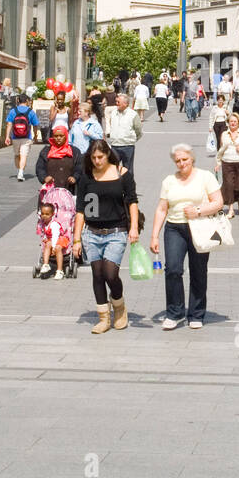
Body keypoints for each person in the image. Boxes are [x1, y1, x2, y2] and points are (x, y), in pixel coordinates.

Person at [149, 144, 224, 330]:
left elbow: (218, 202)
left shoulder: (205, 177)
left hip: (199, 227)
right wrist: (154, 236)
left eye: (185, 159)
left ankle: (196, 314)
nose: (181, 163)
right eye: (178, 161)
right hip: (174, 228)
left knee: (198, 270)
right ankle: (174, 312)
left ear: (192, 159)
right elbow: (161, 209)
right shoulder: (169, 181)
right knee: (173, 269)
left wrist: (198, 210)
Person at [73, 139, 141, 334]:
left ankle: (119, 306)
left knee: (111, 274)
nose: (97, 161)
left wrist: (133, 227)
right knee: (97, 274)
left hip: (116, 231)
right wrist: (76, 238)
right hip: (91, 233)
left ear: (108, 155)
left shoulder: (123, 174)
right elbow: (80, 210)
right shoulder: (86, 177)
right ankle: (104, 317)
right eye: (93, 157)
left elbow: (132, 202)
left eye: (100, 157)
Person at [216, 112, 239, 218]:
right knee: (229, 185)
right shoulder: (224, 134)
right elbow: (221, 150)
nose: (233, 123)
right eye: (231, 121)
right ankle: (231, 209)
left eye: (235, 121)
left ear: (238, 123)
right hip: (227, 162)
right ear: (228, 123)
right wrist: (218, 163)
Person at [35, 123, 79, 193]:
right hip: (50, 191)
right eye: (56, 136)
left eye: (61, 136)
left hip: (69, 190)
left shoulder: (74, 151)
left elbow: (79, 167)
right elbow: (40, 168)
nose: (58, 138)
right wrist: (44, 177)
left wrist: (75, 177)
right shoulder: (46, 151)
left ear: (66, 136)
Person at [5, 96, 39, 182]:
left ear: (18, 101)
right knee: (23, 155)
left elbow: (9, 124)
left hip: (15, 137)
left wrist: (7, 137)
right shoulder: (30, 111)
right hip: (26, 137)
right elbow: (35, 125)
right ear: (27, 101)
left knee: (17, 155)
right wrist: (35, 136)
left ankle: (19, 170)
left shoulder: (13, 111)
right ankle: (21, 172)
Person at [107, 93, 143, 171]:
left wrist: (131, 139)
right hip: (114, 146)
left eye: (118, 102)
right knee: (112, 169)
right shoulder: (113, 113)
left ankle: (128, 183)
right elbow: (111, 125)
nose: (116, 104)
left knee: (127, 170)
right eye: (116, 101)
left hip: (127, 146)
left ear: (125, 103)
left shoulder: (133, 114)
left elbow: (139, 130)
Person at [68, 101, 104, 172]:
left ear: (87, 112)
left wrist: (90, 134)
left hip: (88, 154)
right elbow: (70, 136)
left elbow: (100, 138)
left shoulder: (94, 124)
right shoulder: (76, 123)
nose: (78, 112)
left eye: (80, 111)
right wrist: (69, 148)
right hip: (76, 153)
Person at [38, 203, 66, 282]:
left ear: (52, 214)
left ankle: (60, 270)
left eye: (47, 214)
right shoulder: (44, 224)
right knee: (47, 244)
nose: (44, 216)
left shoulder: (54, 224)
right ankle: (46, 264)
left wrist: (53, 247)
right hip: (51, 240)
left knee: (57, 248)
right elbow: (45, 234)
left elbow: (55, 236)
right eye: (43, 214)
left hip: (59, 239)